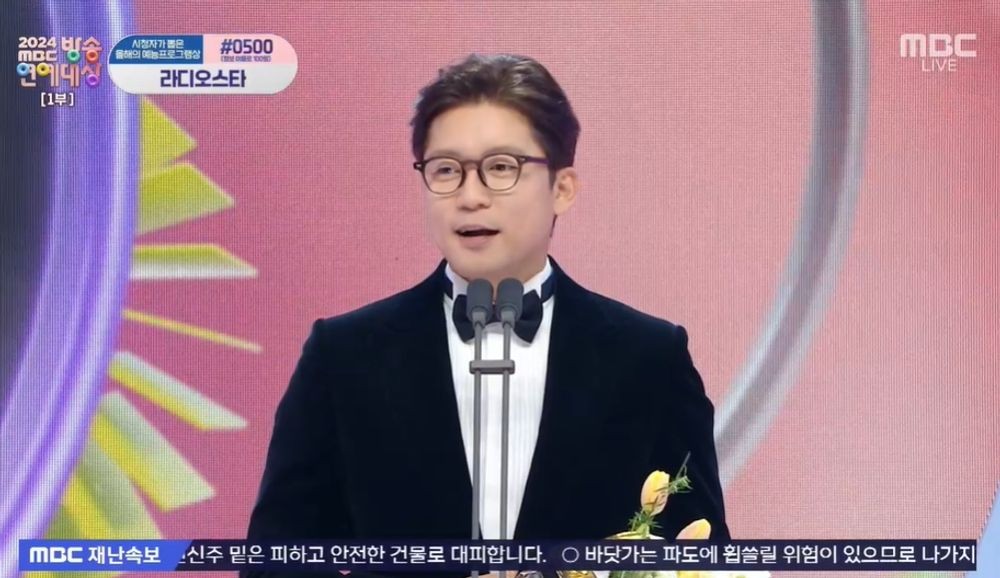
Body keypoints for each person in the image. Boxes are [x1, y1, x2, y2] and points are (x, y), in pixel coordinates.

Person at [244, 53, 729, 578]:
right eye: (446, 170)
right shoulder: (345, 356)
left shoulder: (648, 359)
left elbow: (702, 557)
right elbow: (276, 560)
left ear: (562, 188)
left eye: (501, 168)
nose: (470, 197)